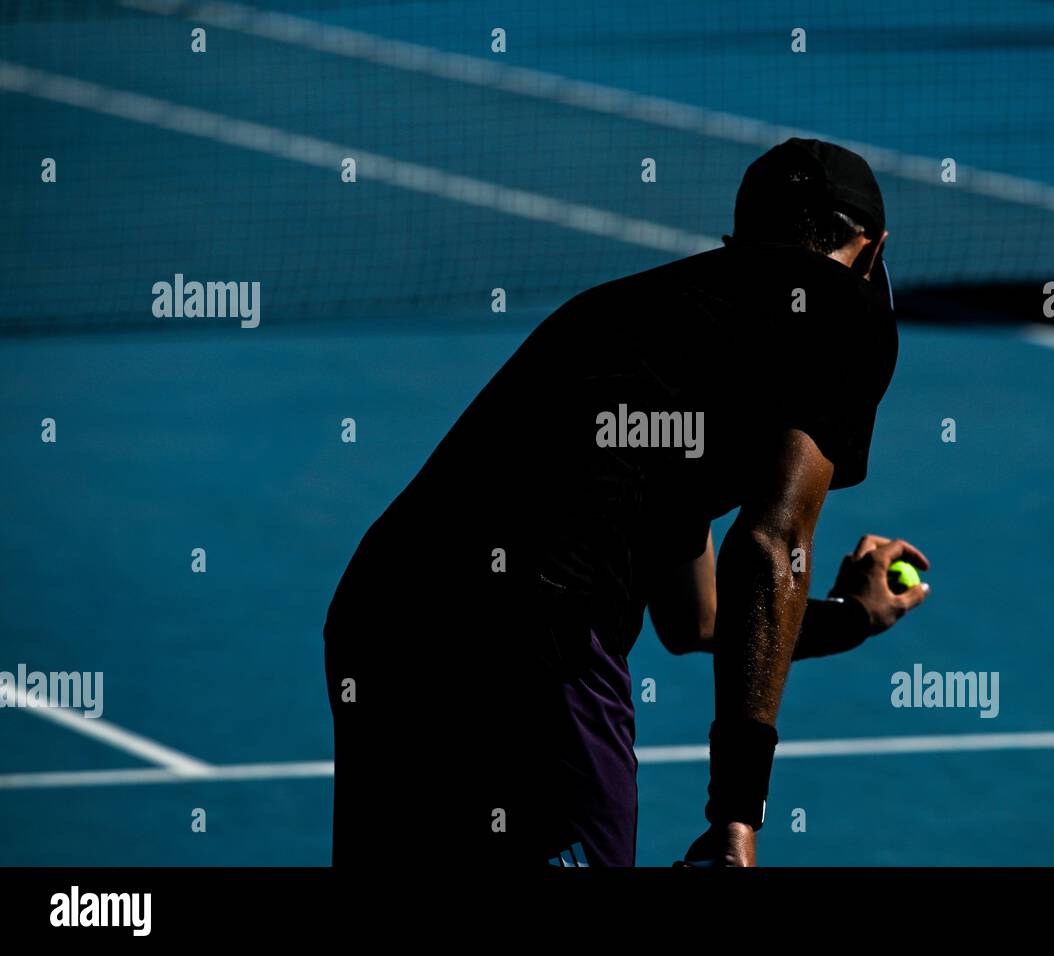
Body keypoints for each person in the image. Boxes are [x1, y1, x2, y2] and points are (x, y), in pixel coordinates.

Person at [324, 137, 930, 868]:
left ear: (734, 238)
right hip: (533, 633)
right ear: (872, 253)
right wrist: (738, 815)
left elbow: (697, 618)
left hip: (382, 612)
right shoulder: (844, 312)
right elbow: (773, 544)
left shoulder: (647, 331)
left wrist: (848, 617)